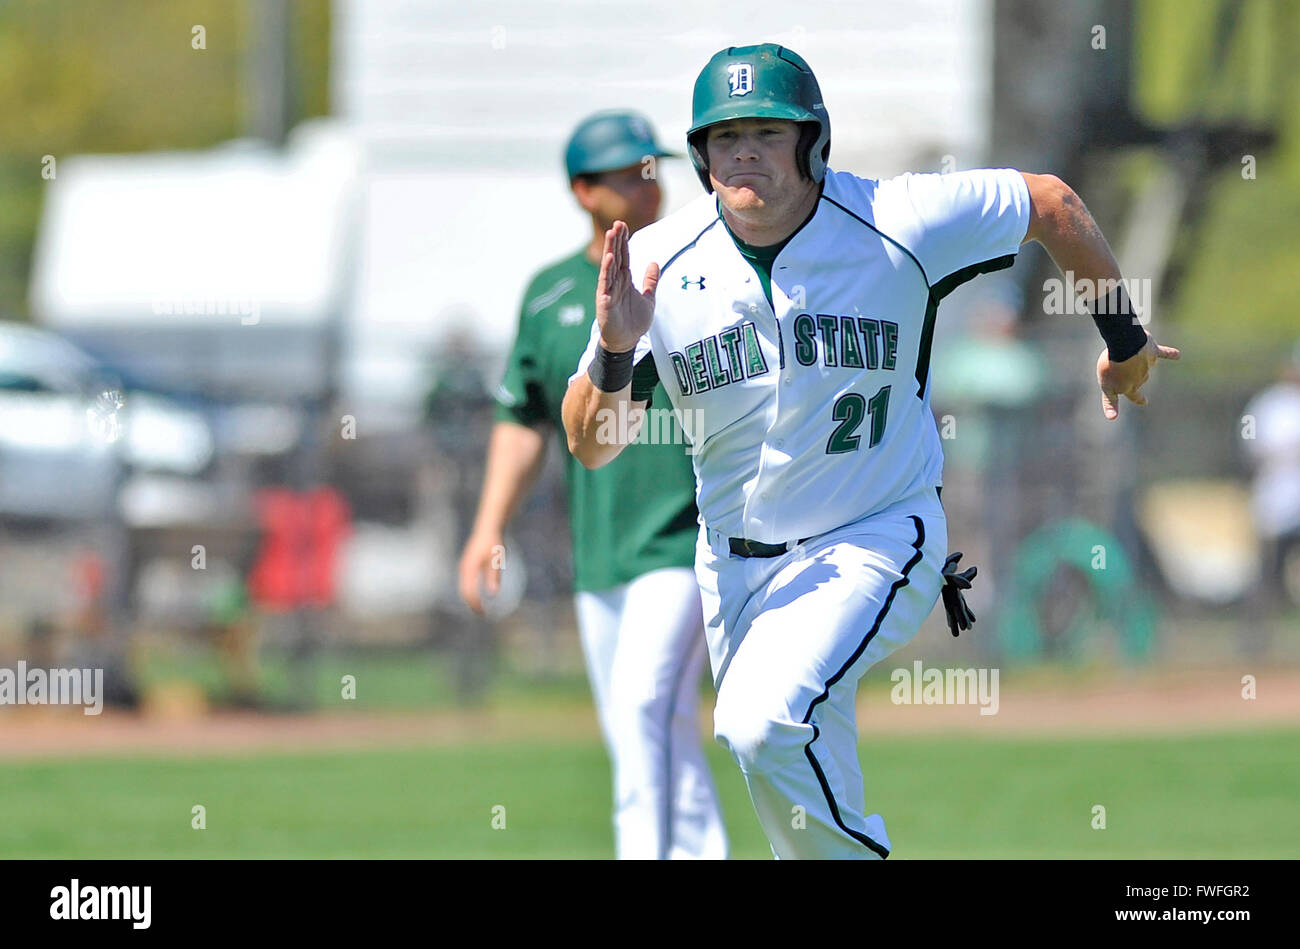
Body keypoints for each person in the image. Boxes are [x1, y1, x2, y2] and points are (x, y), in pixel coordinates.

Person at [562, 45, 1180, 859]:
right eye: (723, 136)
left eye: (766, 131)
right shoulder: (655, 267)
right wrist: (612, 349)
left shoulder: (895, 219)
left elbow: (1050, 204)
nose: (743, 151)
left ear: (813, 140)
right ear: (698, 154)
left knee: (761, 721)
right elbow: (592, 445)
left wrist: (1124, 338)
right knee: (790, 775)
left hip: (876, 532)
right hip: (733, 562)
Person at [458, 111, 728, 859]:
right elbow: (524, 420)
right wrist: (488, 528)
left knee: (644, 704)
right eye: (626, 172)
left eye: (653, 168)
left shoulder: (693, 270)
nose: (648, 184)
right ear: (583, 190)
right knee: (647, 724)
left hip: (684, 543)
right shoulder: (548, 295)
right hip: (602, 553)